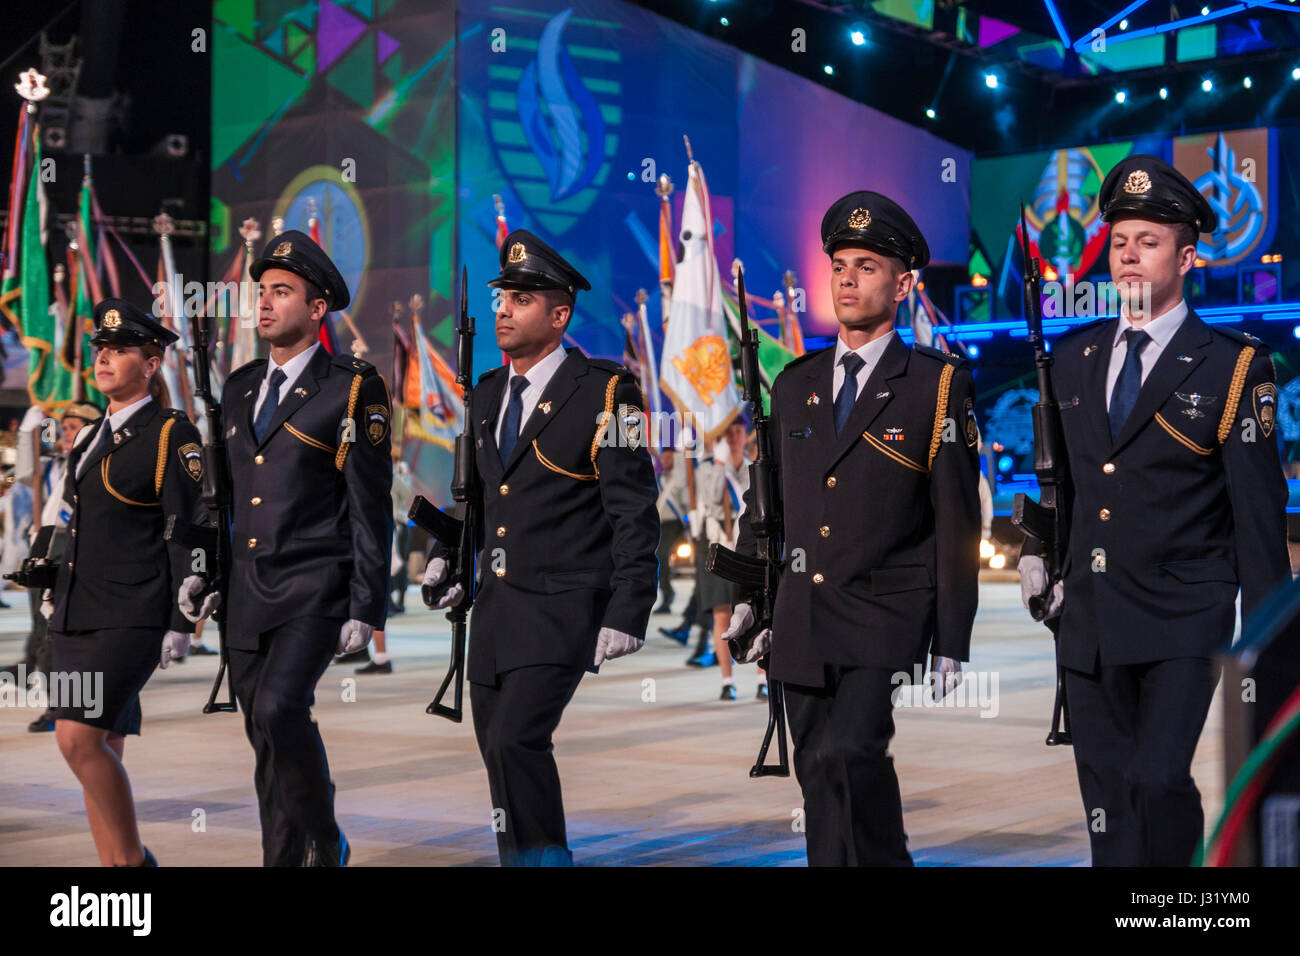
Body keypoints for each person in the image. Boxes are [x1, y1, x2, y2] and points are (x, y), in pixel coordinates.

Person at [1017, 155, 1291, 866]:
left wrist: (1270, 656)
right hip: (1091, 621)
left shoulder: (1233, 367)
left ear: (1188, 255)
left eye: (1149, 240)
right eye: (1120, 241)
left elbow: (1259, 519)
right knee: (1106, 800)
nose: (1130, 255)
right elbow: (1067, 488)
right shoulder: (1073, 360)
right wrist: (1033, 549)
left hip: (1183, 620)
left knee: (1158, 779)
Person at [724, 191, 981, 866]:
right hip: (803, 613)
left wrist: (952, 636)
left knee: (852, 751)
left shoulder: (938, 384)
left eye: (866, 265)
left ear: (902, 284)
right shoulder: (795, 384)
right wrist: (754, 595)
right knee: (817, 776)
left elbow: (958, 518)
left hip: (884, 611)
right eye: (839, 262)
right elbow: (768, 508)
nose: (845, 277)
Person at [422, 229, 659, 866]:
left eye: (521, 299)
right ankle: (525, 858)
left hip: (564, 607)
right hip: (496, 610)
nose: (503, 308)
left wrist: (630, 605)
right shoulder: (486, 395)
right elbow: (473, 502)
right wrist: (447, 554)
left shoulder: (612, 393)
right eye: (503, 297)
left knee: (517, 740)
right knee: (496, 751)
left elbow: (633, 510)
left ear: (559, 316)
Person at [179, 230, 393, 867]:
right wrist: (208, 572)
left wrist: (367, 603)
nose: (264, 304)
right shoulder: (241, 386)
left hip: (312, 587)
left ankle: (326, 839)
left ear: (318, 307)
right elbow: (225, 499)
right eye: (261, 291)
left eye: (281, 291)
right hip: (246, 590)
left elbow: (369, 503)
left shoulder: (352, 388)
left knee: (279, 708)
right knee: (263, 736)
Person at [46, 298, 203, 866]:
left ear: (153, 361)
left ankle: (136, 865)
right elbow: (74, 526)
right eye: (101, 350)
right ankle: (116, 875)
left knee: (77, 740)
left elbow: (191, 530)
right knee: (101, 744)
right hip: (75, 614)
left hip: (129, 614)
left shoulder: (170, 434)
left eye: (120, 350)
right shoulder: (89, 438)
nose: (105, 357)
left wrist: (184, 620)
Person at [693, 419, 765, 700]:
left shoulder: (754, 464)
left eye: (738, 431)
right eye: (729, 432)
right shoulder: (708, 468)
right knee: (722, 614)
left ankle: (762, 679)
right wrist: (720, 468)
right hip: (719, 546)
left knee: (758, 610)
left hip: (748, 548)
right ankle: (727, 681)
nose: (735, 436)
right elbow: (709, 501)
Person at [653, 446, 689, 617]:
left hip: (674, 523)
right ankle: (666, 593)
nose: (665, 460)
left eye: (669, 457)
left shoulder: (679, 478)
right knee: (658, 558)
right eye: (663, 457)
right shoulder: (658, 478)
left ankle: (667, 596)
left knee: (660, 555)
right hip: (659, 523)